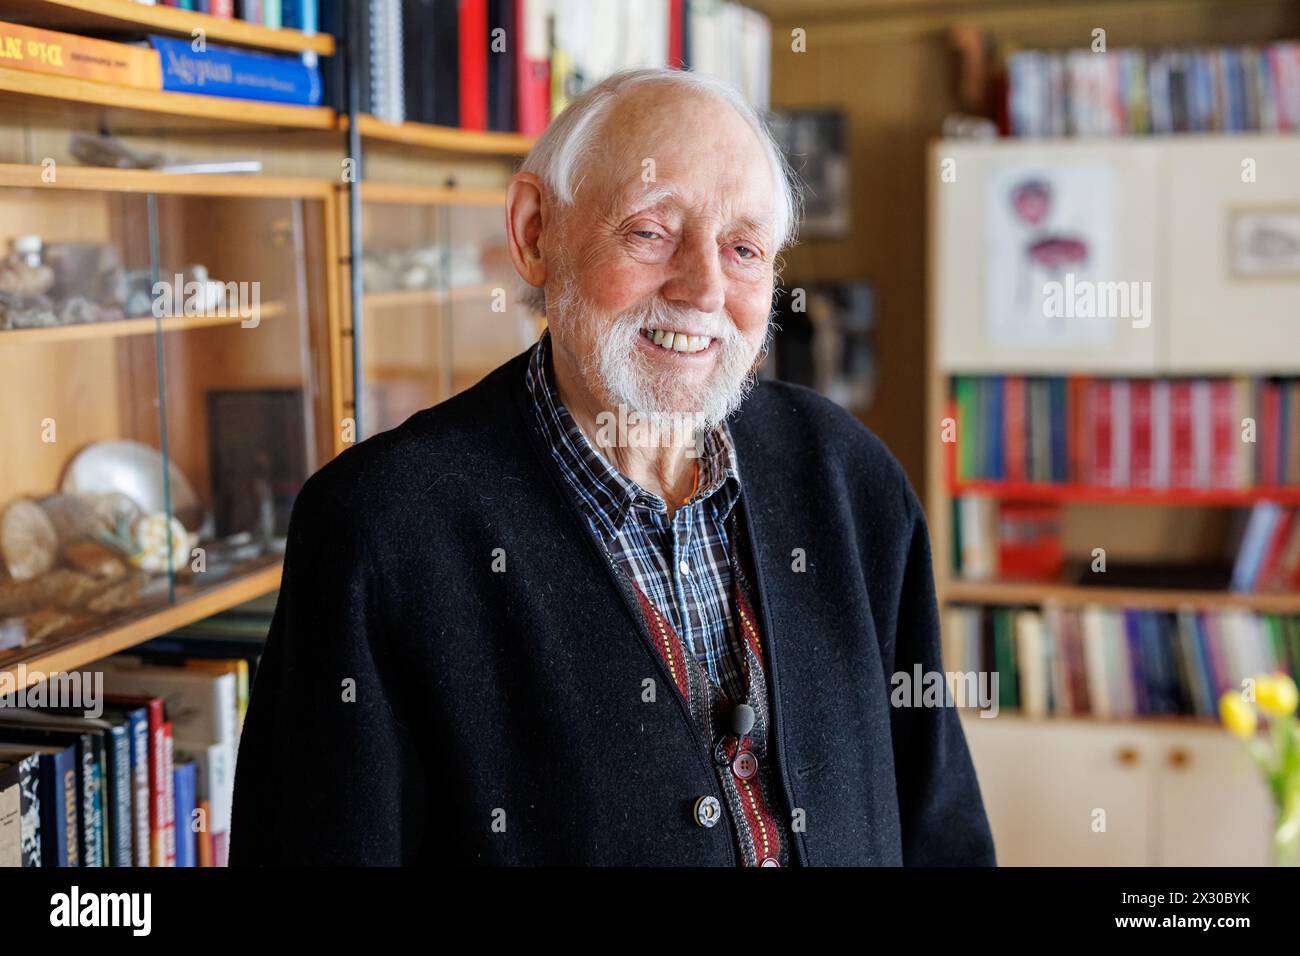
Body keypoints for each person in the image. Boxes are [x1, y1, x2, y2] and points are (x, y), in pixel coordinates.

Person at [230, 68, 995, 866]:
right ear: (534, 233)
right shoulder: (379, 527)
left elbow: (940, 823)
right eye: (649, 233)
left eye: (742, 248)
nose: (703, 289)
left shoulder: (847, 476)